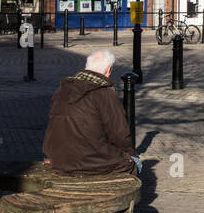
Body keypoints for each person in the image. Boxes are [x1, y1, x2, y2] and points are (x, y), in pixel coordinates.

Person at [42, 49, 140, 177]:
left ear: (86, 66)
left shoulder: (62, 89)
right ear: (108, 70)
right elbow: (120, 134)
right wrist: (128, 156)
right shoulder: (104, 92)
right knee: (137, 163)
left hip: (59, 160)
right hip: (93, 163)